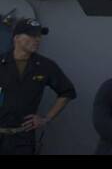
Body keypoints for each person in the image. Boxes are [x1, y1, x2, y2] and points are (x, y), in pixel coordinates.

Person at [0, 17, 76, 155]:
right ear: (16, 37)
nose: (38, 39)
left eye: (39, 36)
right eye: (32, 35)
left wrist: (46, 118)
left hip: (22, 139)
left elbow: (67, 92)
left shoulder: (45, 66)